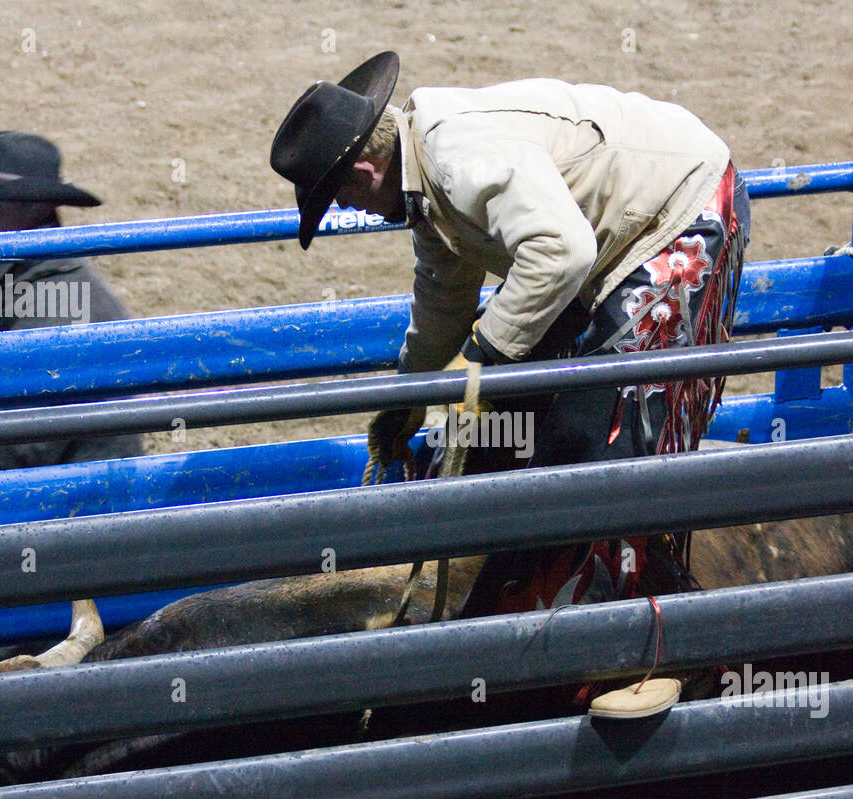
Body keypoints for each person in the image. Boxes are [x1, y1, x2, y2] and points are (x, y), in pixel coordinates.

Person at [270, 52, 749, 617]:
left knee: (599, 431)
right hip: (605, 240)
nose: (350, 210)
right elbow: (444, 294)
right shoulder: (427, 179)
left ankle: (635, 628)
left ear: (364, 173)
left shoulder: (459, 157)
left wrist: (481, 357)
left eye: (339, 197)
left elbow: (562, 252)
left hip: (678, 209)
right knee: (505, 418)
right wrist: (411, 394)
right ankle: (511, 590)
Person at [0, 130, 143, 473]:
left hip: (71, 506)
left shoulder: (56, 302)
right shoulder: (44, 274)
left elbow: (19, 443)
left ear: (36, 208)